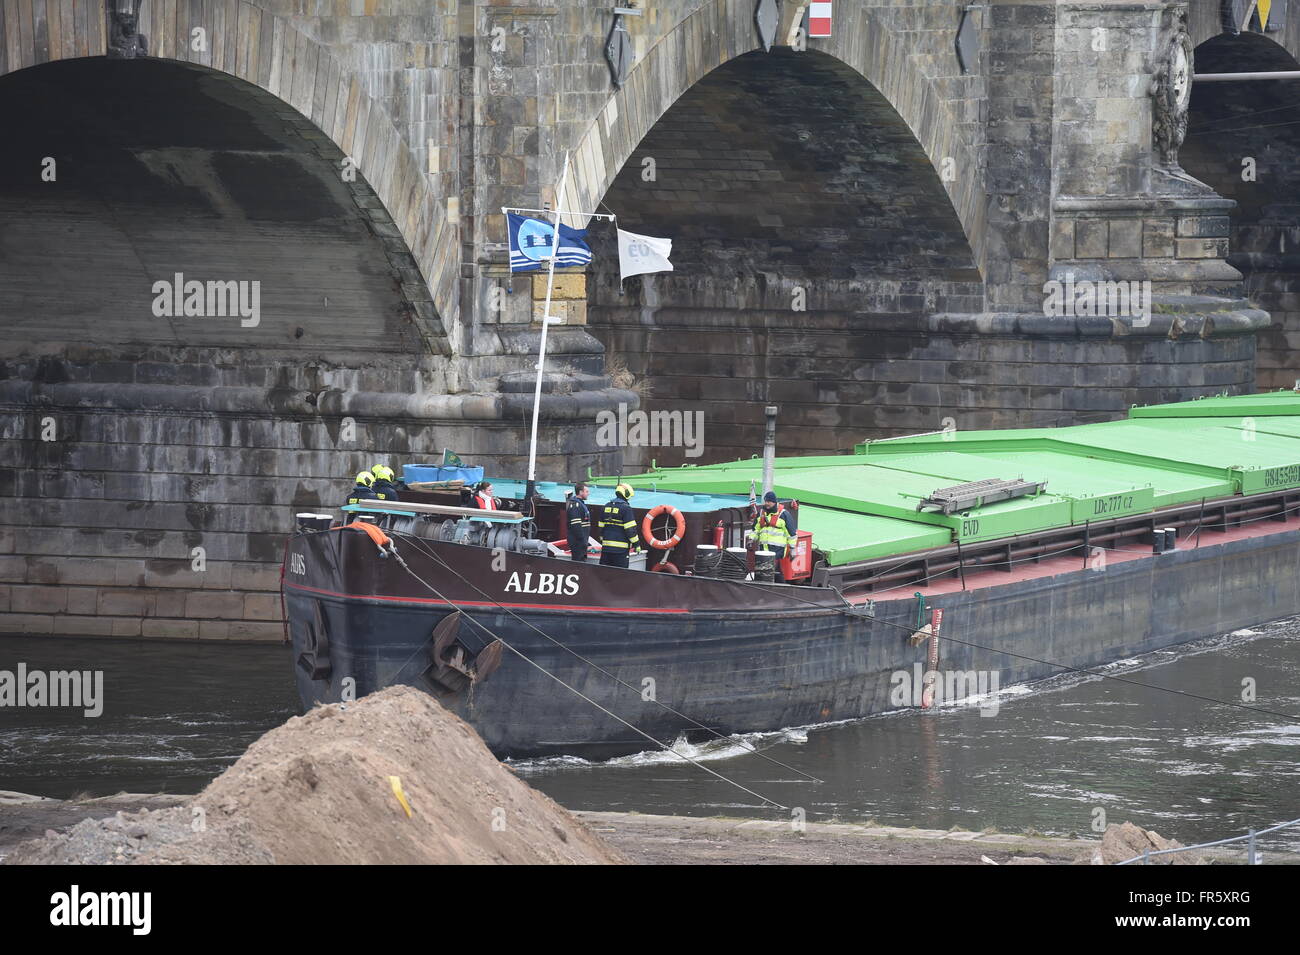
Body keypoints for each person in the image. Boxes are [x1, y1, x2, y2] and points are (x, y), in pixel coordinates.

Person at [752, 491, 795, 581]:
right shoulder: (761, 514)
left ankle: (778, 587)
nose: (766, 503)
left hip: (777, 549)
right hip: (764, 549)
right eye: (765, 501)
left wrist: (792, 549)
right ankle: (778, 586)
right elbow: (756, 529)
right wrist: (751, 539)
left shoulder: (783, 515)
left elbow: (791, 534)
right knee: (771, 570)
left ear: (774, 502)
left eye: (769, 501)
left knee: (772, 569)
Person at [597, 483, 641, 569]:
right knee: (620, 576)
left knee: (603, 575)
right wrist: (636, 544)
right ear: (626, 494)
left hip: (606, 549)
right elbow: (630, 530)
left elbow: (600, 528)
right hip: (620, 552)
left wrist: (604, 541)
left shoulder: (605, 507)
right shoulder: (626, 509)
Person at [565, 482, 592, 561]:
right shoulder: (575, 506)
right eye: (586, 491)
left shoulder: (580, 504)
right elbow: (576, 526)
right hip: (578, 543)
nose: (588, 493)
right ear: (580, 492)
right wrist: (582, 541)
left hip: (582, 542)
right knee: (578, 565)